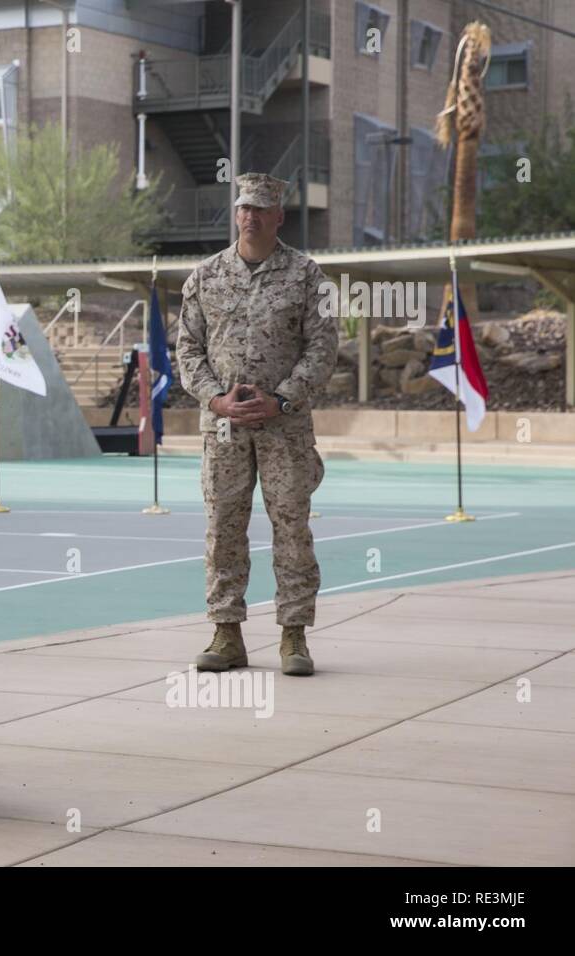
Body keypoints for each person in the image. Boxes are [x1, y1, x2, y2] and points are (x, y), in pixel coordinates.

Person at [175, 172, 338, 677]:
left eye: (260, 209)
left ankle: (294, 635)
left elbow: (324, 347)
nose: (250, 216)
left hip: (284, 428)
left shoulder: (309, 277)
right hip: (223, 428)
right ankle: (226, 633)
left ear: (278, 217)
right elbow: (187, 349)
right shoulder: (205, 276)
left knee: (291, 526)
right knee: (224, 527)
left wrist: (283, 399)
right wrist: (216, 400)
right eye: (244, 208)